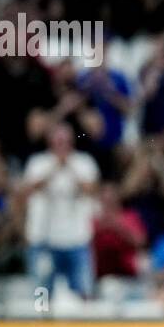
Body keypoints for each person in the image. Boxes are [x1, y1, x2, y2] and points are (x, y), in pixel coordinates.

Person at [21, 122, 98, 299]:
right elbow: (28, 190)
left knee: (84, 294)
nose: (62, 146)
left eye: (65, 142)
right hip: (43, 240)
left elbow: (91, 189)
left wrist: (68, 166)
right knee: (41, 295)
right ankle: (39, 326)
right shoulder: (38, 162)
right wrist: (55, 167)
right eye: (58, 142)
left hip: (77, 239)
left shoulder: (83, 162)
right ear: (50, 142)